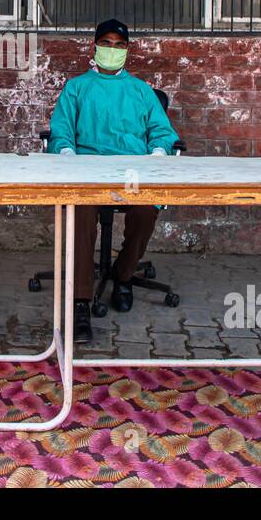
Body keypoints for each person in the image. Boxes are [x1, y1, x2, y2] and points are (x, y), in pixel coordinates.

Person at [47, 18, 179, 343]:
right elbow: (61, 129)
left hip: (132, 173)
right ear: (94, 47)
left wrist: (159, 153)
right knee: (81, 212)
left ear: (127, 51)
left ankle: (123, 274)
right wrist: (65, 152)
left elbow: (162, 132)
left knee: (147, 209)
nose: (112, 50)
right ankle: (80, 303)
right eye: (106, 43)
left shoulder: (140, 91)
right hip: (87, 173)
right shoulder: (76, 88)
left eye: (119, 45)